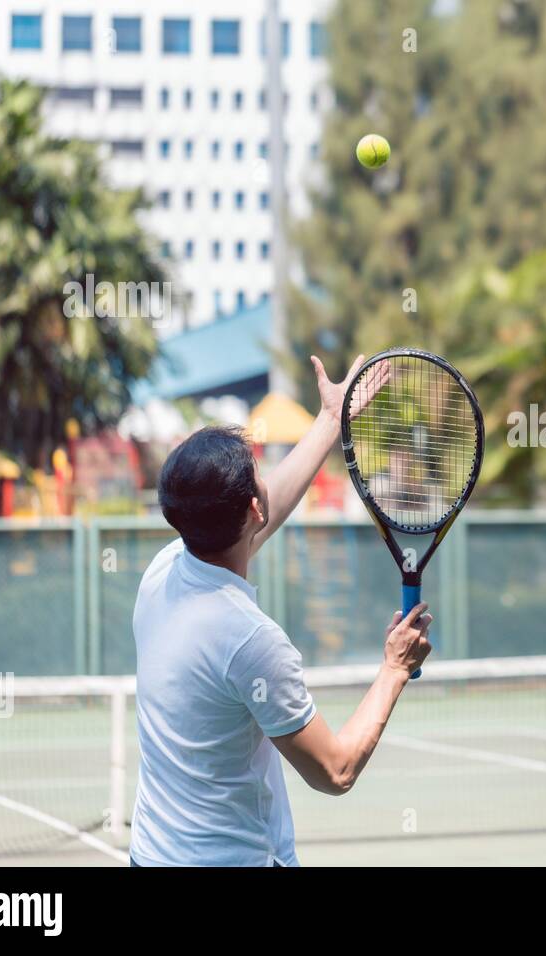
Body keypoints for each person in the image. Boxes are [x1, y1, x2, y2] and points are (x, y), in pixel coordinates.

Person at [130, 354, 431, 867]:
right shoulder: (250, 640)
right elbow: (334, 771)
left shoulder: (162, 572)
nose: (266, 480)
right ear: (252, 508)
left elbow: (259, 520)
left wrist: (330, 421)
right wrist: (395, 668)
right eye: (257, 476)